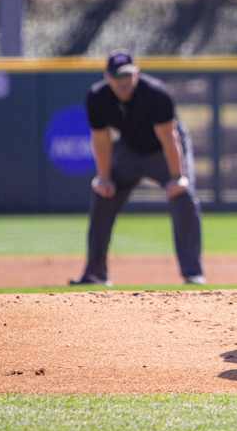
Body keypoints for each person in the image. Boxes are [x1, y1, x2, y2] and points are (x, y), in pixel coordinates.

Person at [71, 51, 204, 286]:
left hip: (164, 151)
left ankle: (192, 273)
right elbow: (101, 140)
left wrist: (176, 178)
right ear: (107, 77)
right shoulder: (97, 97)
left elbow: (169, 138)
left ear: (137, 74)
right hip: (129, 151)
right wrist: (103, 178)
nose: (123, 82)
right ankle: (95, 274)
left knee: (183, 195)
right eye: (117, 77)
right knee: (102, 195)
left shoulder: (156, 94)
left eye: (128, 76)